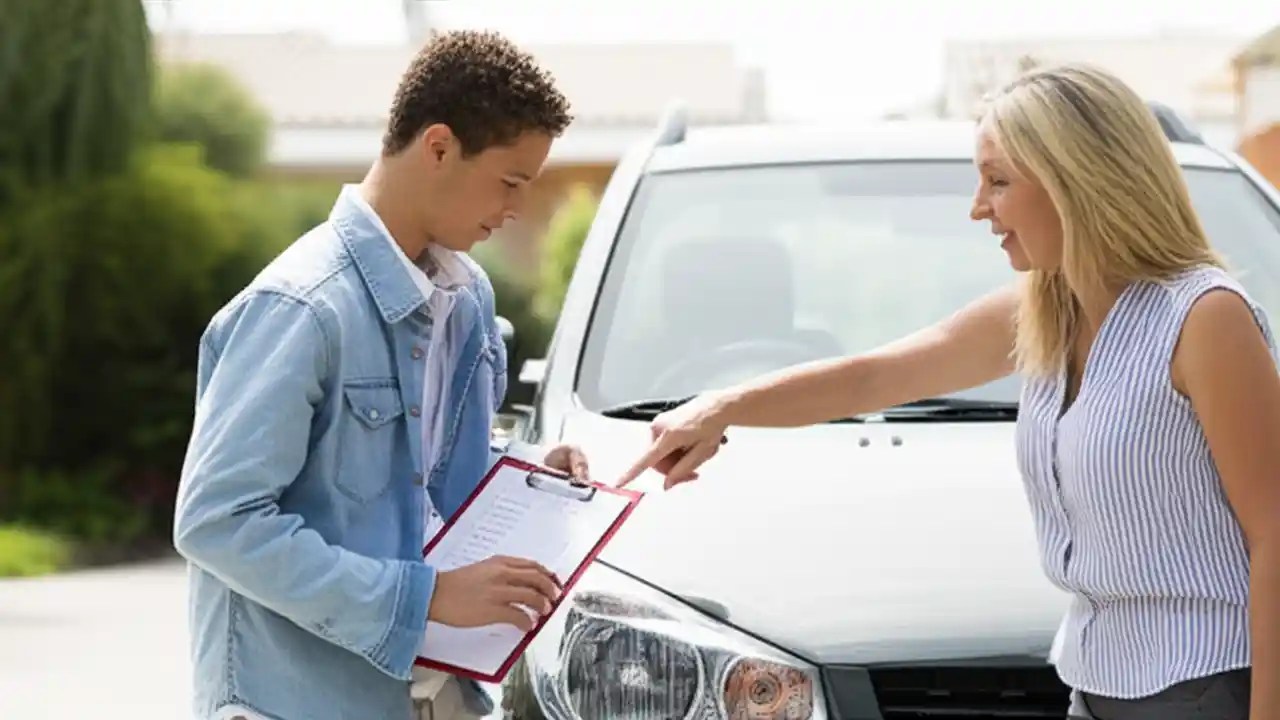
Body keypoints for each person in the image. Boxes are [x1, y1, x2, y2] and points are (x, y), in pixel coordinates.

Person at [617, 63, 1280, 720]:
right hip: (1096, 685)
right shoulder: (1045, 310)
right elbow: (876, 376)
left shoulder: (1203, 319)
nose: (978, 207)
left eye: (997, 181)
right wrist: (721, 407)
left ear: (1073, 180)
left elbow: (1274, 531)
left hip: (1206, 689)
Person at [172, 30, 585, 720]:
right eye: (510, 181)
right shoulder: (303, 307)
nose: (516, 208)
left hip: (434, 695)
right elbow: (218, 520)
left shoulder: (469, 300)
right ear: (438, 147)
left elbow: (420, 471)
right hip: (296, 702)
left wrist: (533, 470)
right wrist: (423, 599)